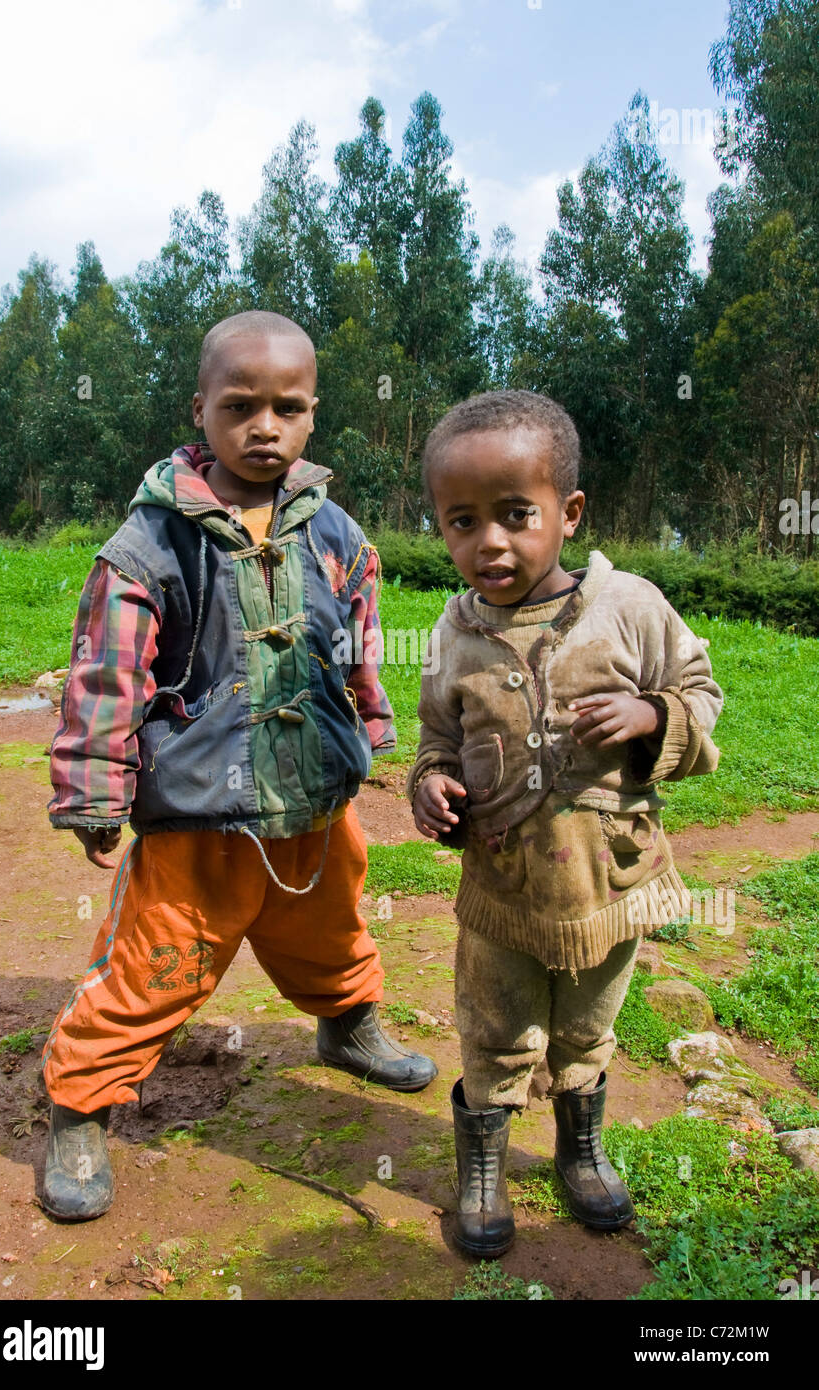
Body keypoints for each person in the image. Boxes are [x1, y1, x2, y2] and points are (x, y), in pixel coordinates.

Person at [41, 309, 436, 1222]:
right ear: (202, 410)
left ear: (312, 415)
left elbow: (359, 644)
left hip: (313, 805)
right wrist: (96, 792)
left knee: (331, 929)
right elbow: (106, 674)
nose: (265, 427)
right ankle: (81, 1101)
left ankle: (347, 1026)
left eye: (288, 408)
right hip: (198, 816)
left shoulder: (335, 530)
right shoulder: (150, 544)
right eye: (241, 406)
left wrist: (367, 732)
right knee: (158, 962)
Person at [406, 390, 722, 1258]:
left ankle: (579, 1149)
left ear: (569, 511)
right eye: (461, 522)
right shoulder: (455, 632)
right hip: (503, 889)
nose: (490, 542)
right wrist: (430, 785)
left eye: (516, 515)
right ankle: (483, 1167)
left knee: (588, 1027)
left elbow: (703, 695)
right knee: (495, 1029)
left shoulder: (630, 608)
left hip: (608, 882)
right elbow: (437, 735)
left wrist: (654, 715)